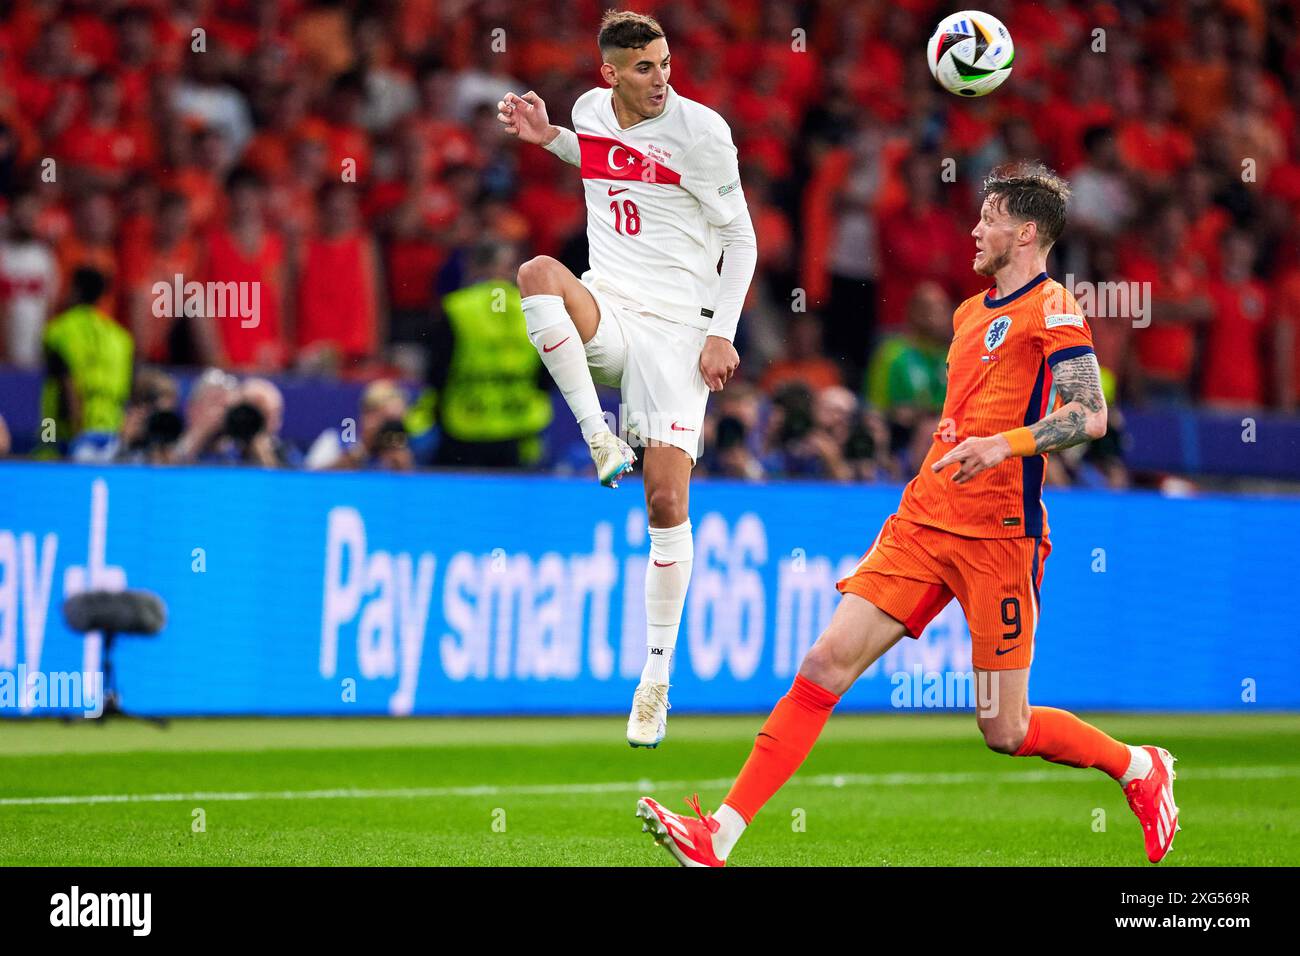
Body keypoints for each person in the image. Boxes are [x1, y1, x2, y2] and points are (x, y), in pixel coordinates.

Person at [636, 163, 1181, 866]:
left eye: (988, 218)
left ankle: (1138, 767)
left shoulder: (1056, 310)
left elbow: (1090, 414)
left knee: (1004, 728)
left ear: (1025, 230)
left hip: (1000, 538)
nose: (975, 230)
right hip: (924, 519)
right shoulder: (966, 314)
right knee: (824, 664)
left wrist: (1003, 445)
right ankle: (720, 834)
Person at [497, 10, 757, 747]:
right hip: (611, 307)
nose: (660, 78)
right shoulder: (586, 110)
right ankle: (599, 439)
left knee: (667, 501)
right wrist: (551, 139)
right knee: (537, 272)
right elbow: (608, 157)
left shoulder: (703, 134)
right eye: (643, 67)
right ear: (609, 72)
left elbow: (741, 239)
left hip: (678, 333)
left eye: (665, 62)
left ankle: (655, 677)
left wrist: (720, 332)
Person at [430, 241, 553, 468]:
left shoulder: (457, 307)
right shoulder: (536, 308)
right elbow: (550, 369)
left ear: (474, 266)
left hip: (465, 424)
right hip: (520, 424)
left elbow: (437, 371)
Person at [41, 267, 133, 456]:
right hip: (112, 433)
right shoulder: (121, 338)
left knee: (44, 460)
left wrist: (73, 439)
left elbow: (67, 385)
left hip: (63, 432)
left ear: (74, 290)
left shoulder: (59, 330)